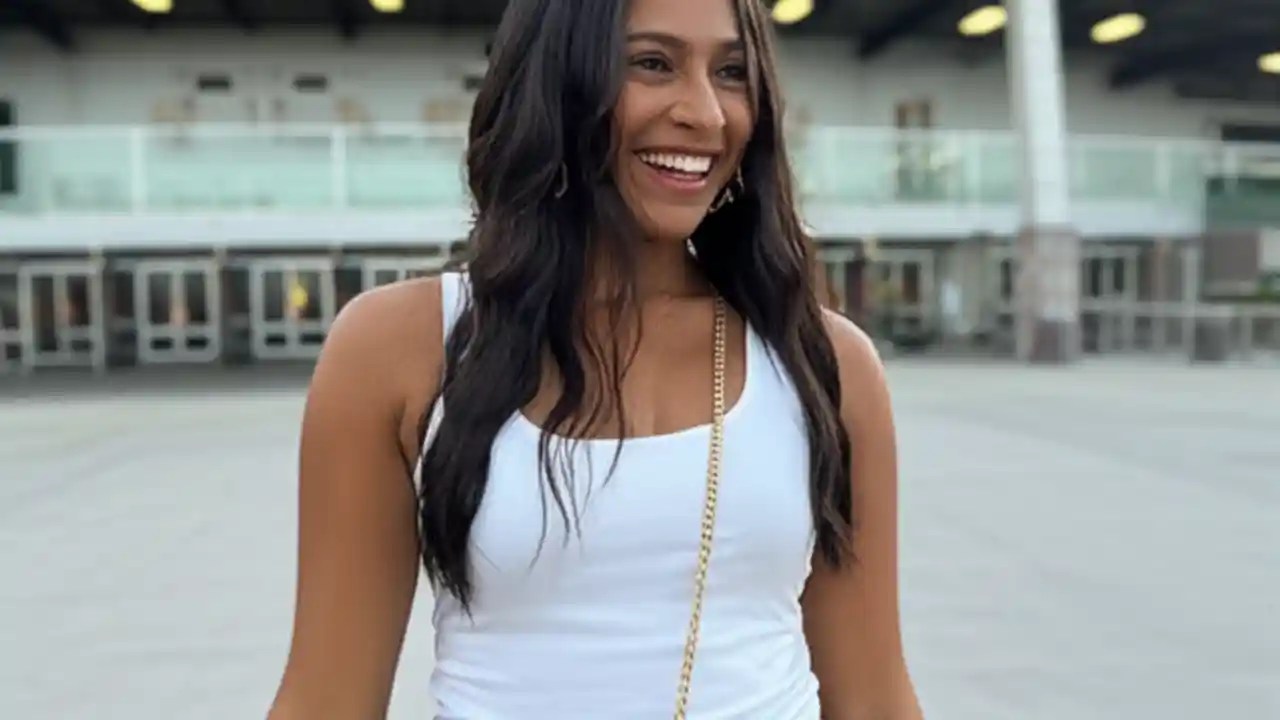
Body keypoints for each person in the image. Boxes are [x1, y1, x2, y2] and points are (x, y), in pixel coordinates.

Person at [269, 0, 923, 717]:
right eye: (652, 63)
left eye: (733, 72)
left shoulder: (823, 365)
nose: (705, 113)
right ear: (554, 82)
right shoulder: (399, 349)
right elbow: (325, 701)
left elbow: (874, 701)